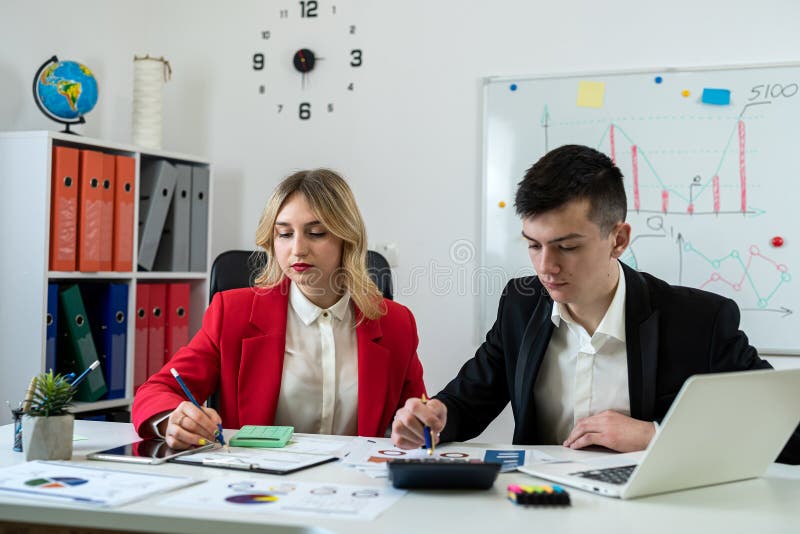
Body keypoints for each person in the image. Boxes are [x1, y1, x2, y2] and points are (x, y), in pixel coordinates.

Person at [391, 144, 800, 464]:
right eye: (533, 245)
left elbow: (787, 433)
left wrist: (655, 436)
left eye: (567, 246)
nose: (546, 266)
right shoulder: (520, 304)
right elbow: (469, 400)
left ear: (618, 240)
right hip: (538, 509)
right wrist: (435, 416)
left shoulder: (699, 321)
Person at [133, 169, 426, 449]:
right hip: (261, 482)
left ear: (347, 239)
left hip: (355, 486)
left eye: (316, 233)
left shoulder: (395, 323)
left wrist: (419, 421)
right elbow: (155, 392)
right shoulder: (233, 313)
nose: (297, 249)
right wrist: (174, 419)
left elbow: (417, 418)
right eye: (284, 234)